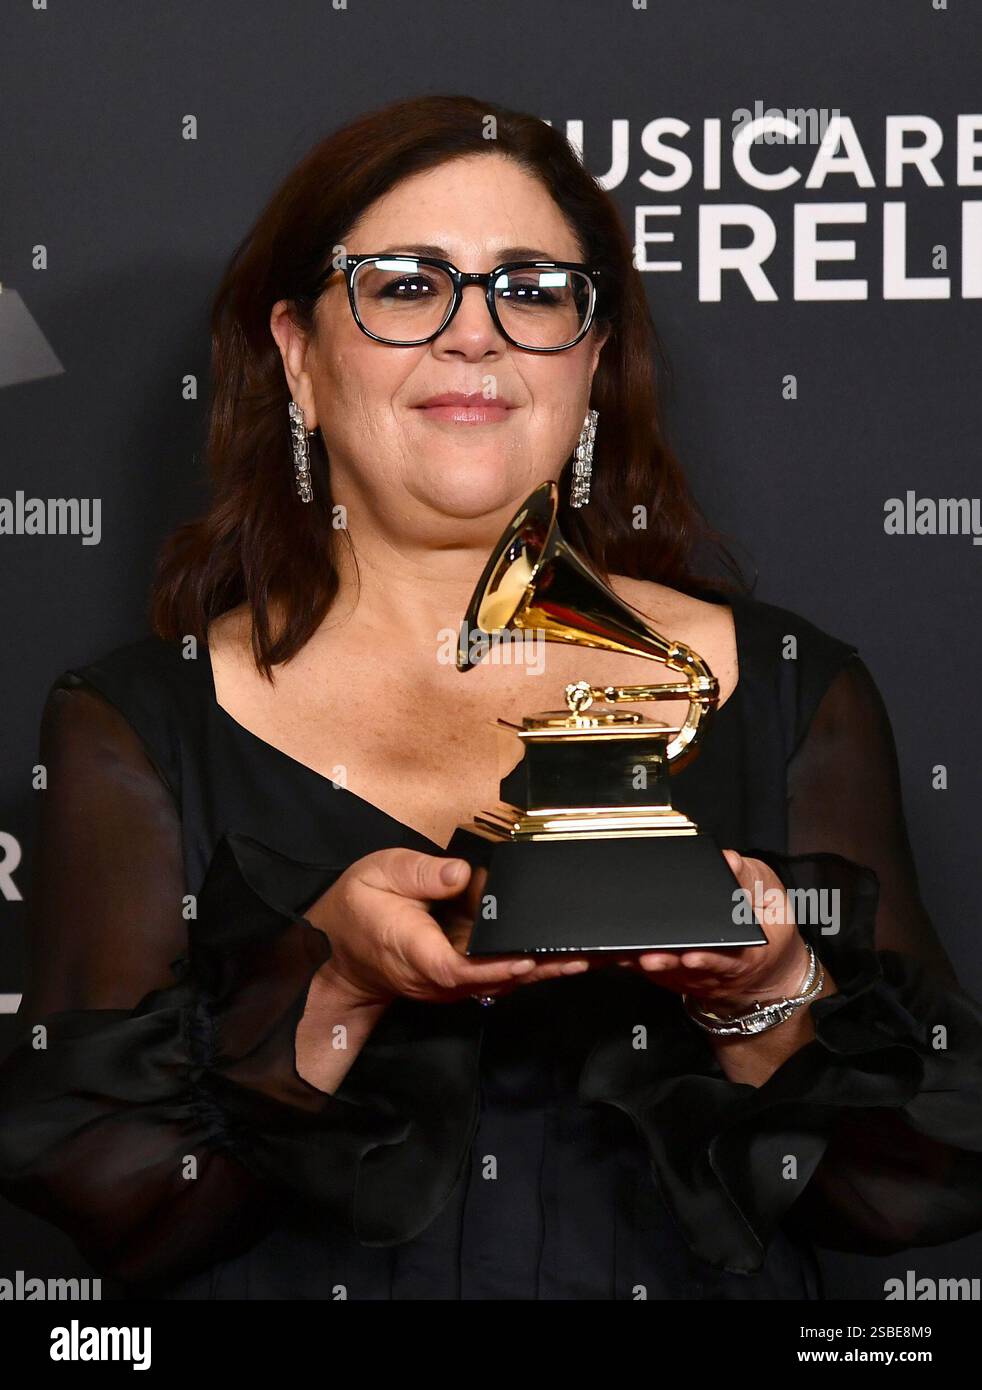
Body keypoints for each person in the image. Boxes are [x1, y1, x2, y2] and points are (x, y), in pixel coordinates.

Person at [2, 94, 982, 1302]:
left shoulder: (790, 689)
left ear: (593, 359)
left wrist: (764, 992)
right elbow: (117, 1197)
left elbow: (911, 1182)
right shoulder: (137, 720)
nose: (476, 336)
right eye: (406, 285)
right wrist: (337, 986)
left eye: (531, 289)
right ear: (300, 357)